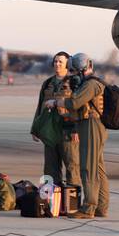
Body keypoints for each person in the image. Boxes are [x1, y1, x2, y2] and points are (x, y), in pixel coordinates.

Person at [47, 52, 107, 218]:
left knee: (88, 167)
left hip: (92, 125)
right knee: (97, 167)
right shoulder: (89, 83)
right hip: (88, 124)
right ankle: (101, 206)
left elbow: (74, 103)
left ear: (80, 69)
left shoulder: (91, 84)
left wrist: (56, 102)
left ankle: (89, 207)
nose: (72, 74)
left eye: (73, 70)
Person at [34, 51, 79, 186]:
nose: (57, 64)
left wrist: (77, 129)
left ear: (67, 64)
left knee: (72, 167)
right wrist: (35, 128)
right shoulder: (47, 83)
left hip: (68, 132)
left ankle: (72, 202)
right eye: (55, 61)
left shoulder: (75, 82)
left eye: (60, 62)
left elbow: (80, 107)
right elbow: (39, 106)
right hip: (50, 131)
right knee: (50, 169)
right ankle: (53, 202)